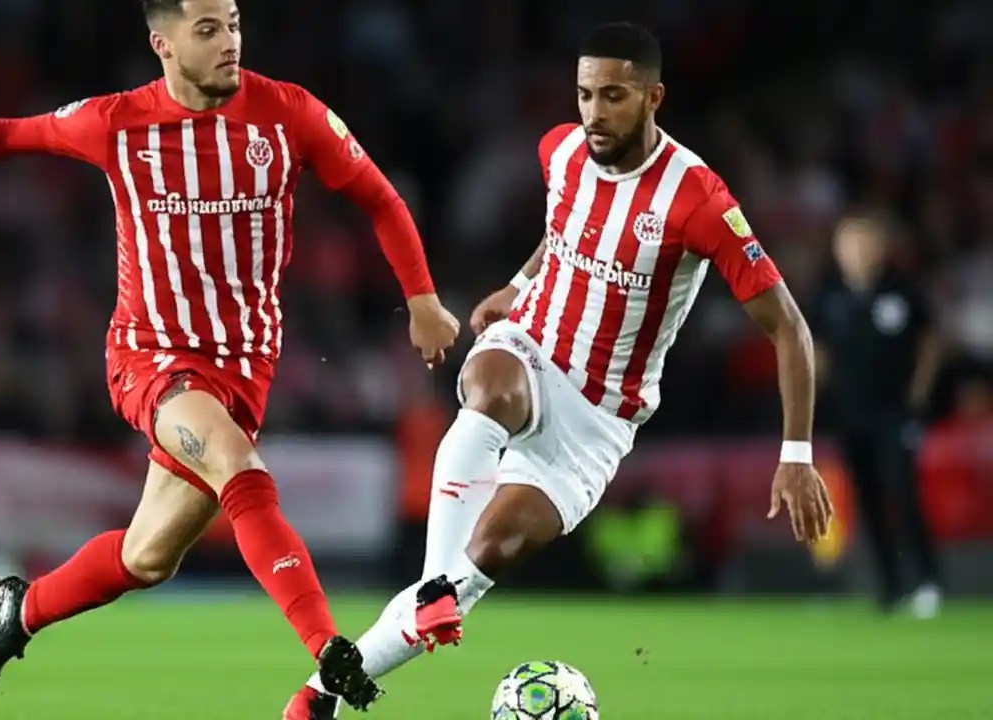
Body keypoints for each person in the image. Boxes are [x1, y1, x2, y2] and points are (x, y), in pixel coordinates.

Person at [0, 0, 460, 709]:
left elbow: (379, 195)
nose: (229, 41)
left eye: (233, 24)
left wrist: (422, 299)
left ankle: (23, 609)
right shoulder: (117, 123)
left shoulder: (289, 114)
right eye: (208, 29)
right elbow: (11, 132)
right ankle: (328, 647)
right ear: (163, 43)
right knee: (239, 468)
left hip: (245, 368)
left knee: (147, 557)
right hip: (152, 358)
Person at [284, 21, 834, 718]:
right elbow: (566, 229)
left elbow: (787, 324)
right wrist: (520, 282)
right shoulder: (561, 150)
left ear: (652, 97)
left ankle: (321, 693)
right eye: (584, 94)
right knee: (489, 388)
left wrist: (796, 453)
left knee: (492, 549)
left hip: (600, 417)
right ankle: (428, 593)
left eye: (613, 96)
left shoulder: (697, 200)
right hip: (533, 345)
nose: (594, 113)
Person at [812, 211, 944, 617]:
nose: (855, 252)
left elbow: (930, 341)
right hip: (851, 414)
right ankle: (890, 586)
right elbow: (816, 350)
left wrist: (918, 395)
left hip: (895, 412)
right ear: (837, 250)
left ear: (880, 247)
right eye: (848, 244)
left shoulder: (901, 290)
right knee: (867, 499)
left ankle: (926, 581)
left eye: (863, 243)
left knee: (903, 494)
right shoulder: (828, 295)